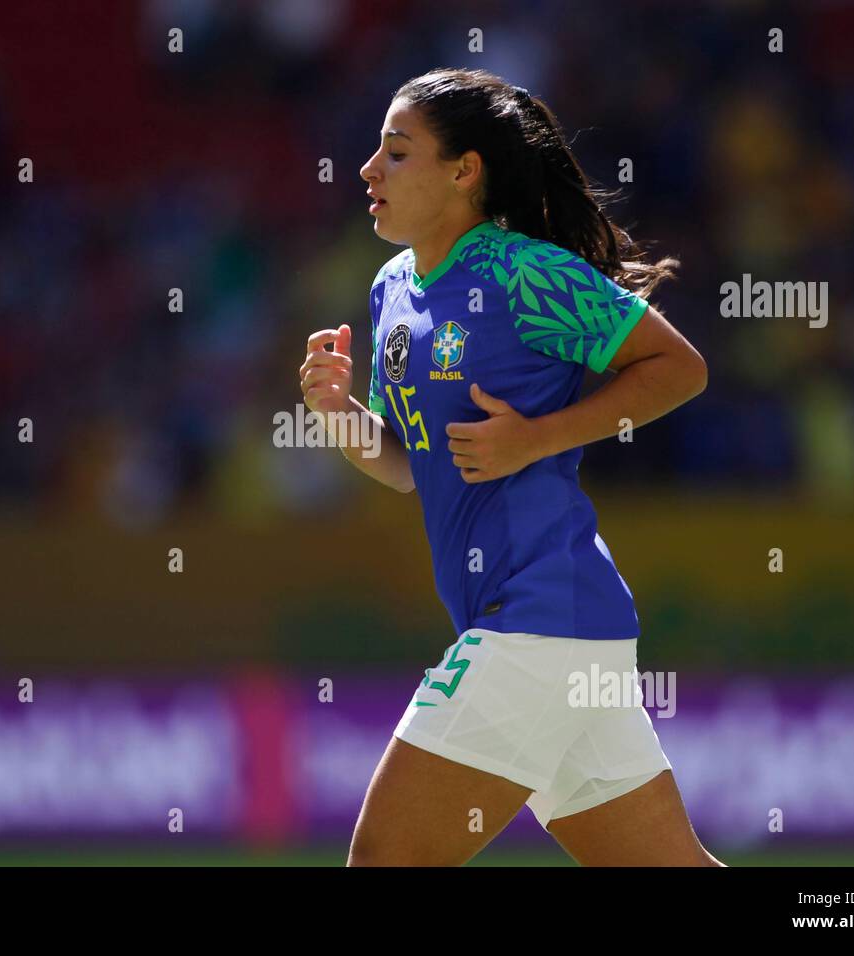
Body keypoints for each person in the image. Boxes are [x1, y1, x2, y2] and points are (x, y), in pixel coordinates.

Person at [298, 68, 722, 866]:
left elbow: (679, 367)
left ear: (465, 171)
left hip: (537, 622)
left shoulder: (522, 273)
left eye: (395, 153)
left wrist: (540, 437)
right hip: (566, 639)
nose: (367, 170)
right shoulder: (392, 289)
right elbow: (409, 466)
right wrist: (339, 415)